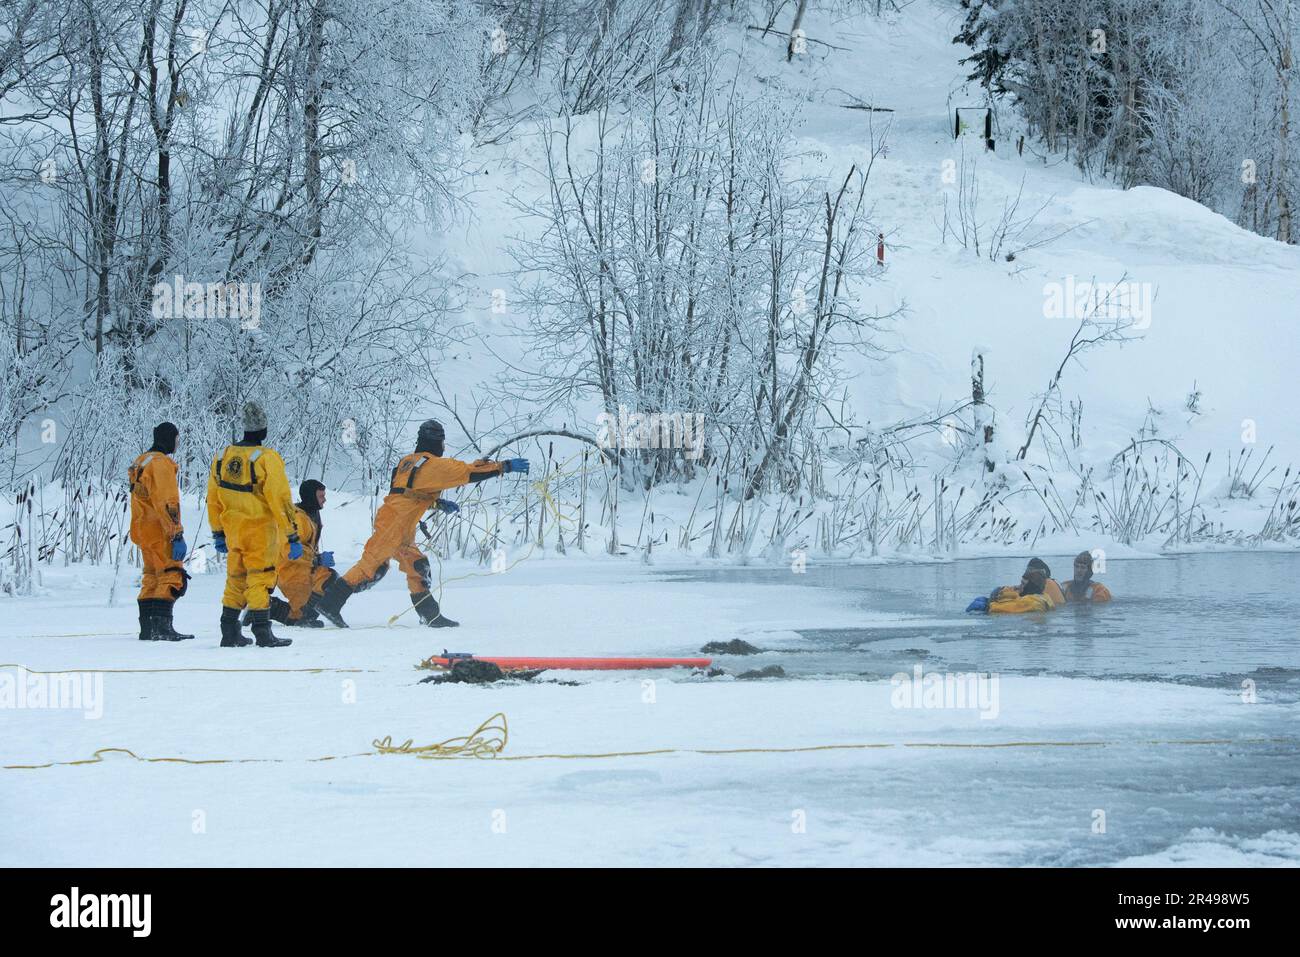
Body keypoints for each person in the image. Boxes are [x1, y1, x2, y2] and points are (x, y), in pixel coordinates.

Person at [315, 420, 528, 628]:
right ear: (438, 442)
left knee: (418, 566)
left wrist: (435, 502)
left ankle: (431, 616)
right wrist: (503, 467)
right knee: (371, 565)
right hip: (395, 524)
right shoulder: (434, 464)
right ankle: (329, 604)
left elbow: (406, 493)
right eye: (443, 443)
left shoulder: (408, 462)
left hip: (397, 520)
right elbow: (468, 473)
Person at [207, 402, 301, 648]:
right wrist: (292, 534)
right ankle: (262, 632)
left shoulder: (222, 457)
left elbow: (213, 498)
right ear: (263, 429)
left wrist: (217, 531)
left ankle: (229, 631)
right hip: (260, 532)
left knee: (236, 578)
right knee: (260, 577)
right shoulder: (266, 459)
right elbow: (280, 499)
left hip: (233, 532)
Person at [128, 422, 193, 641]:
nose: (177, 443)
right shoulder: (161, 464)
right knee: (170, 575)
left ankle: (147, 627)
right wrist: (176, 534)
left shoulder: (141, 461)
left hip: (142, 529)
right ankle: (162, 627)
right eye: (176, 438)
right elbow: (168, 503)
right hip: (160, 530)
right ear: (169, 438)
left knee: (151, 577)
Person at [258, 479, 336, 628]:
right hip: (290, 571)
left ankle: (267, 609)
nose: (325, 500)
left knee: (329, 579)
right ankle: (262, 608)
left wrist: (318, 559)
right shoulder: (297, 518)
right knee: (301, 614)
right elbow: (289, 549)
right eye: (321, 496)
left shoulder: (312, 514)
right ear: (311, 497)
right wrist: (318, 559)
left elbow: (308, 544)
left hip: (305, 569)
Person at [966, 567, 1055, 614]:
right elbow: (1016, 599)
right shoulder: (1043, 596)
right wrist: (1000, 592)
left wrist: (988, 606)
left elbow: (1007, 608)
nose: (1020, 586)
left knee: (978, 604)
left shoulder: (1031, 602)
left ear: (1031, 586)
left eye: (1023, 584)